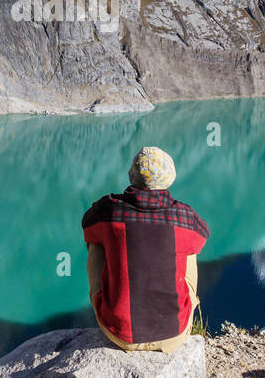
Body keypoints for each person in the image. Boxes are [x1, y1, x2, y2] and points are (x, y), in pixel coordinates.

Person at [81, 146, 210, 353]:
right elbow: (204, 235)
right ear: (169, 177)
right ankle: (187, 302)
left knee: (96, 240)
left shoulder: (109, 210)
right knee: (191, 245)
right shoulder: (183, 216)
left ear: (132, 176)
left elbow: (87, 225)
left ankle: (110, 299)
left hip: (119, 333)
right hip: (174, 333)